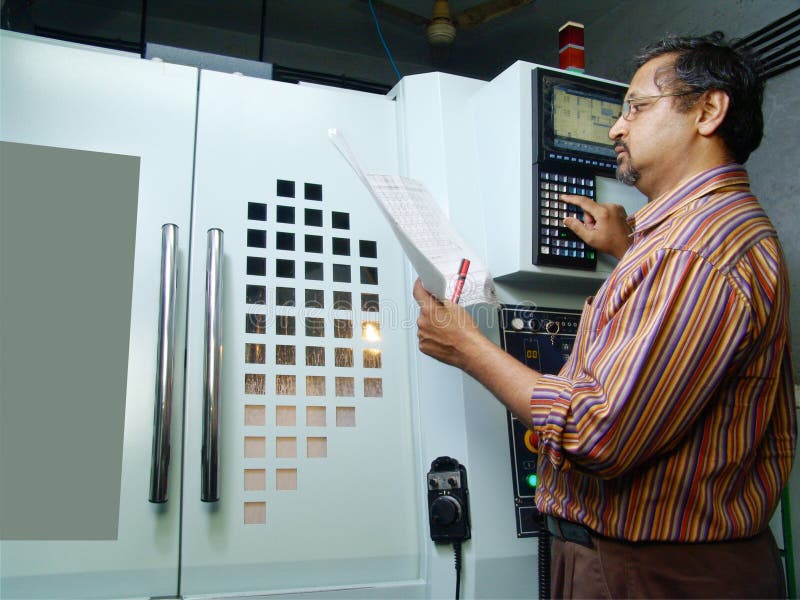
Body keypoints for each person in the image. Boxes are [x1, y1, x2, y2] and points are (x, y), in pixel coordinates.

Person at [414, 32, 796, 598]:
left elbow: (599, 433)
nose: (616, 129)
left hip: (654, 575)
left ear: (708, 111)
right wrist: (629, 251)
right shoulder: (694, 241)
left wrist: (468, 348)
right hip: (646, 562)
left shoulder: (692, 254)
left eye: (636, 108)